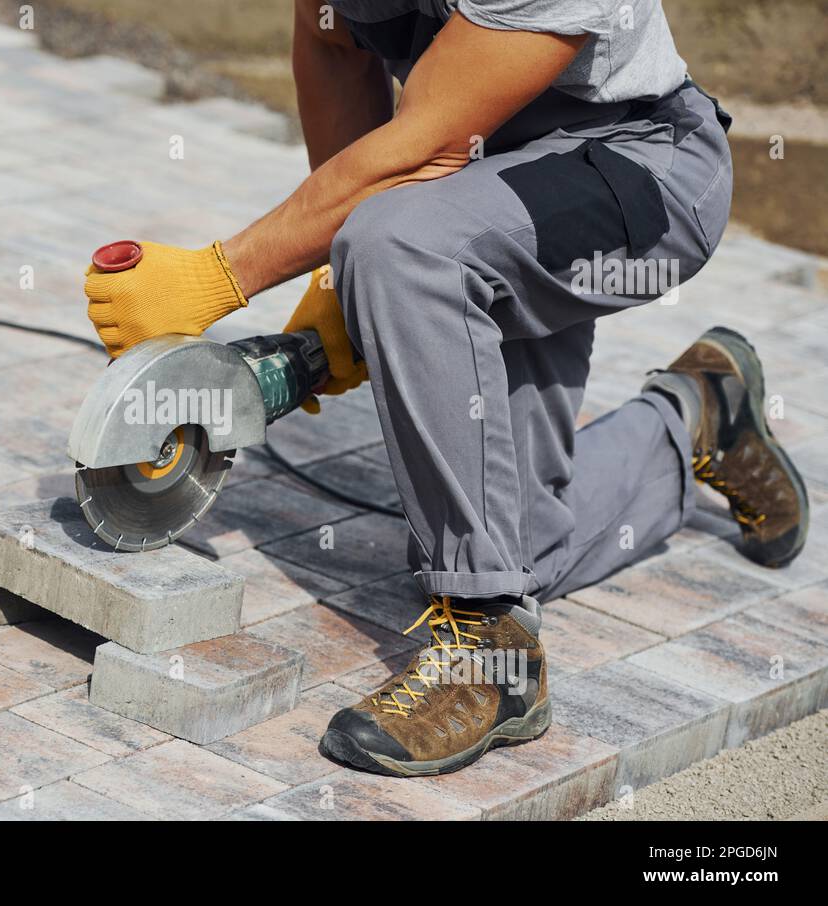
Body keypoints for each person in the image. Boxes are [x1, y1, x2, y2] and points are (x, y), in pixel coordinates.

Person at [81, 0, 809, 777]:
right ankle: (700, 416)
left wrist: (221, 275)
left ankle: (492, 657)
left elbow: (424, 148)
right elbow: (331, 43)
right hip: (488, 181)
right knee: (516, 546)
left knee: (398, 245)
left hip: (638, 169)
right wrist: (338, 279)